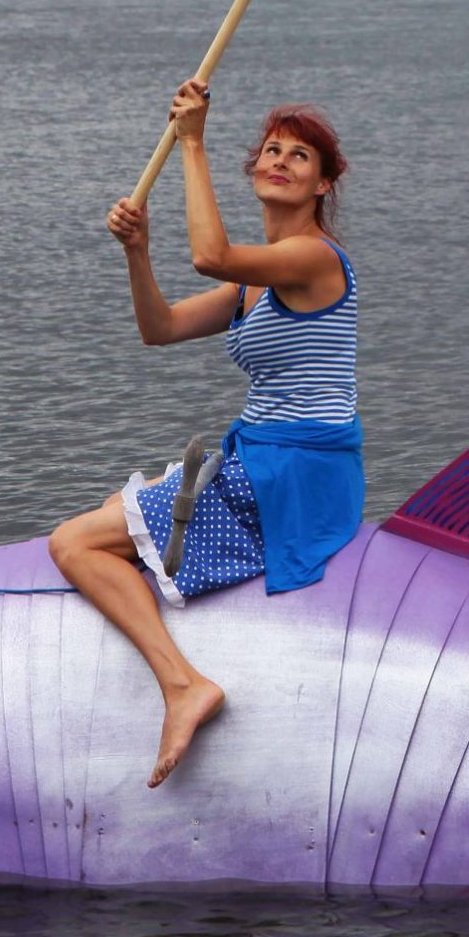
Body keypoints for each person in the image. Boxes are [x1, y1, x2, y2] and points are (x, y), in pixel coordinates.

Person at [48, 81, 362, 788]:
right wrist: (137, 251)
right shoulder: (252, 285)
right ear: (256, 170)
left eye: (300, 156)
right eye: (272, 151)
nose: (280, 161)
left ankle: (183, 685)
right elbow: (159, 329)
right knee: (113, 510)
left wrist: (191, 141)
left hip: (294, 473)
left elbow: (211, 254)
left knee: (72, 543)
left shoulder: (314, 258)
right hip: (261, 454)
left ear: (322, 184)